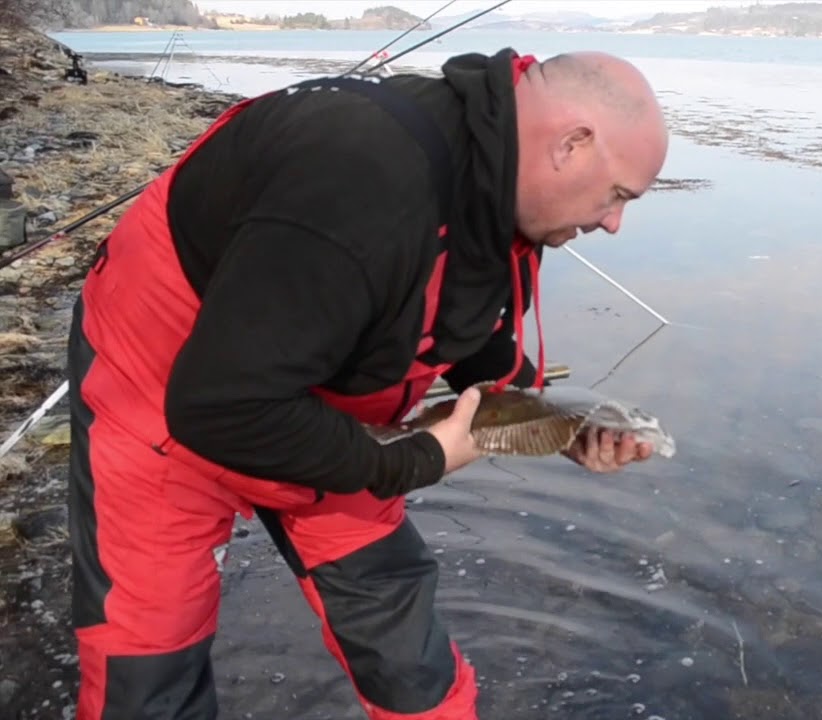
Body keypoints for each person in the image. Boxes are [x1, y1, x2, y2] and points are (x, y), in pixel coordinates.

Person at [64, 47, 669, 720]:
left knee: (405, 649)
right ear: (572, 143)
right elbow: (221, 405)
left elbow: (468, 335)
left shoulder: (498, 186)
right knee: (149, 666)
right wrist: (422, 458)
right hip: (164, 391)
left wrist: (557, 425)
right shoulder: (359, 178)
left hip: (330, 414)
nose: (615, 222)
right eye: (618, 195)